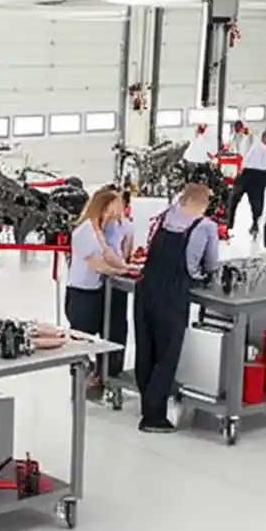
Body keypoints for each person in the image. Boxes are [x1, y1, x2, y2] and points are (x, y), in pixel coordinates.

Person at [133, 183, 220, 434]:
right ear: (203, 203)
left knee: (145, 349)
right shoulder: (205, 226)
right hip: (171, 294)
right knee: (167, 353)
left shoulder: (165, 217)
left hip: (145, 288)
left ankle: (147, 405)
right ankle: (153, 417)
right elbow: (209, 264)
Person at [65, 188, 131, 392]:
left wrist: (128, 268)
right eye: (117, 204)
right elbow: (97, 263)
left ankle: (103, 375)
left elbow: (109, 255)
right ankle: (80, 377)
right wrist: (121, 271)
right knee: (81, 337)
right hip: (82, 292)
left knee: (107, 331)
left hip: (98, 289)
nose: (121, 209)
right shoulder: (85, 231)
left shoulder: (101, 229)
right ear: (105, 206)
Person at [99, 186, 136, 380]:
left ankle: (112, 370)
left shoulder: (126, 225)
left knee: (117, 326)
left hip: (115, 278)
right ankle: (104, 371)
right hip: (104, 278)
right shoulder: (100, 225)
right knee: (108, 326)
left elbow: (126, 253)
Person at [226, 131, 266, 238]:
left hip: (246, 174)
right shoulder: (261, 147)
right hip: (257, 176)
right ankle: (254, 224)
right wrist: (263, 166)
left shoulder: (252, 144)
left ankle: (229, 224)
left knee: (234, 200)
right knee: (256, 203)